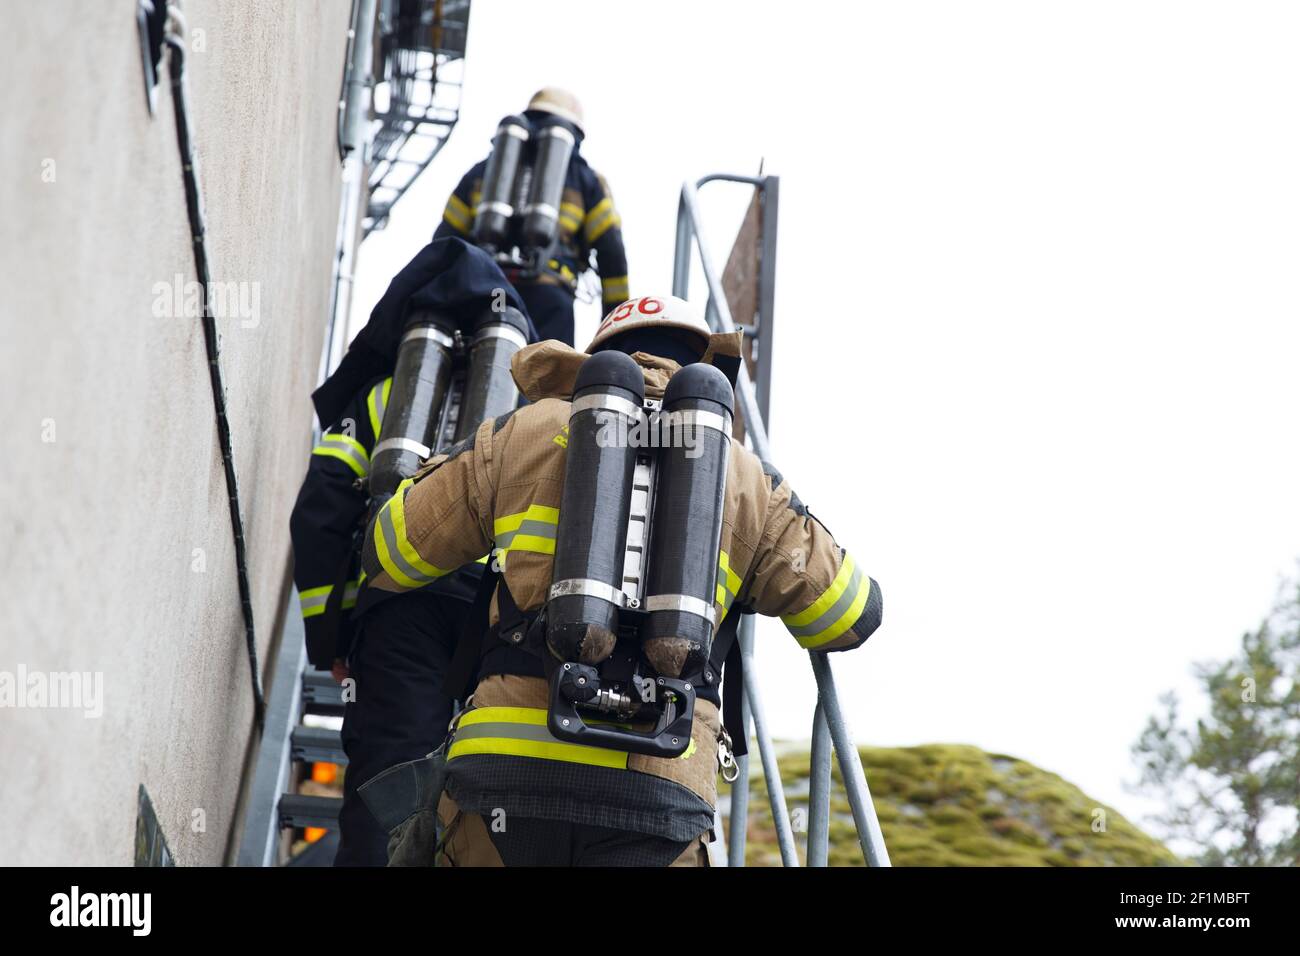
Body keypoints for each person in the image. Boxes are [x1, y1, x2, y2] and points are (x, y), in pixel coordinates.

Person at [357, 294, 884, 867]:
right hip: (660, 795)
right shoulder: (743, 475)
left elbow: (389, 555)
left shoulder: (525, 431)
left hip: (505, 774)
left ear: (595, 360)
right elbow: (851, 614)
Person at [289, 378, 481, 867]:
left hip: (399, 602)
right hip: (497, 613)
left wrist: (333, 640)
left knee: (393, 788)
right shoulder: (543, 404)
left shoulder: (388, 392)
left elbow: (322, 510)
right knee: (490, 795)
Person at [433, 88, 628, 345]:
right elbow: (611, 252)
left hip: (495, 290)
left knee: (486, 358)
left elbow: (444, 243)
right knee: (546, 375)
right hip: (547, 296)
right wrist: (617, 325)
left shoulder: (482, 172)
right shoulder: (587, 180)